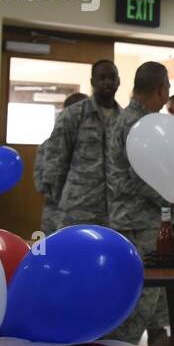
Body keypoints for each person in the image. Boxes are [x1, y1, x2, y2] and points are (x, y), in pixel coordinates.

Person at [107, 62, 172, 345]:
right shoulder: (138, 123)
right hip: (138, 222)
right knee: (141, 295)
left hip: (136, 219)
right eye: (168, 88)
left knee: (156, 298)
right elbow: (145, 177)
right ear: (160, 89)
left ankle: (159, 345)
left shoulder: (132, 118)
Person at [36, 60, 121, 229]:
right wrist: (59, 202)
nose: (107, 82)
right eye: (101, 77)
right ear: (92, 82)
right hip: (77, 209)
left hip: (115, 212)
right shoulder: (73, 115)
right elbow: (55, 162)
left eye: (112, 77)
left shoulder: (125, 120)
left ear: (118, 81)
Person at [34, 91, 87, 235]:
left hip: (90, 216)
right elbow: (42, 184)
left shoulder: (93, 146)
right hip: (56, 216)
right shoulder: (49, 145)